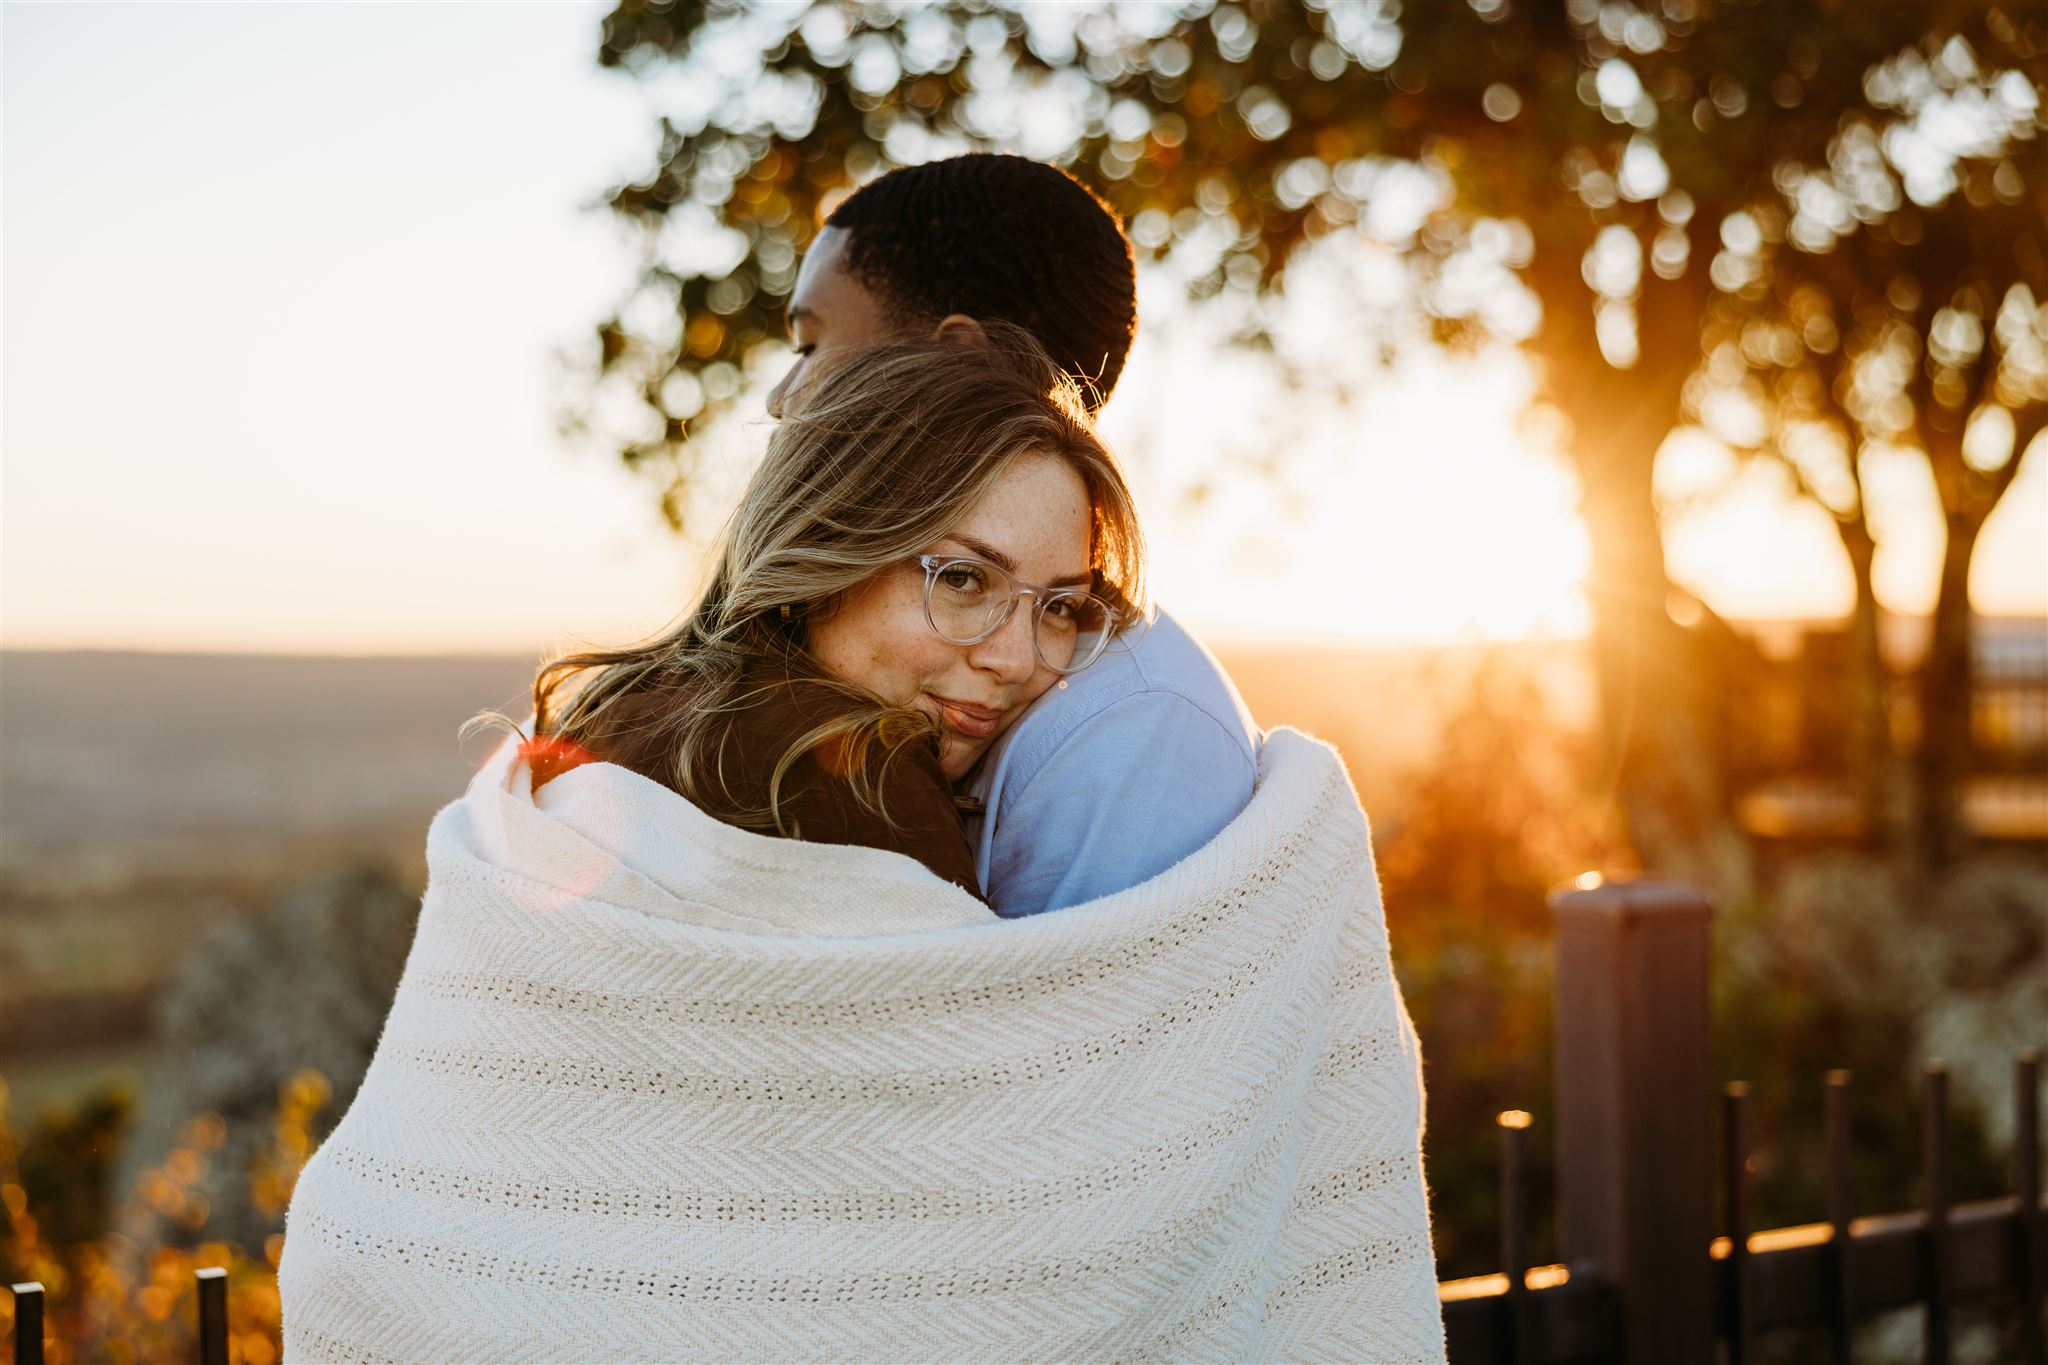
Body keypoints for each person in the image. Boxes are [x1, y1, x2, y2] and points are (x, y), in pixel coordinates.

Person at [766, 153, 1261, 916]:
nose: (781, 398)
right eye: (963, 581)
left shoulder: (1128, 739)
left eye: (810, 346)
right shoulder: (824, 660)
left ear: (962, 364)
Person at [510, 322, 1146, 901]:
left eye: (1060, 607)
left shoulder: (632, 704)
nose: (1013, 660)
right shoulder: (855, 777)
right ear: (831, 548)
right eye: (961, 579)